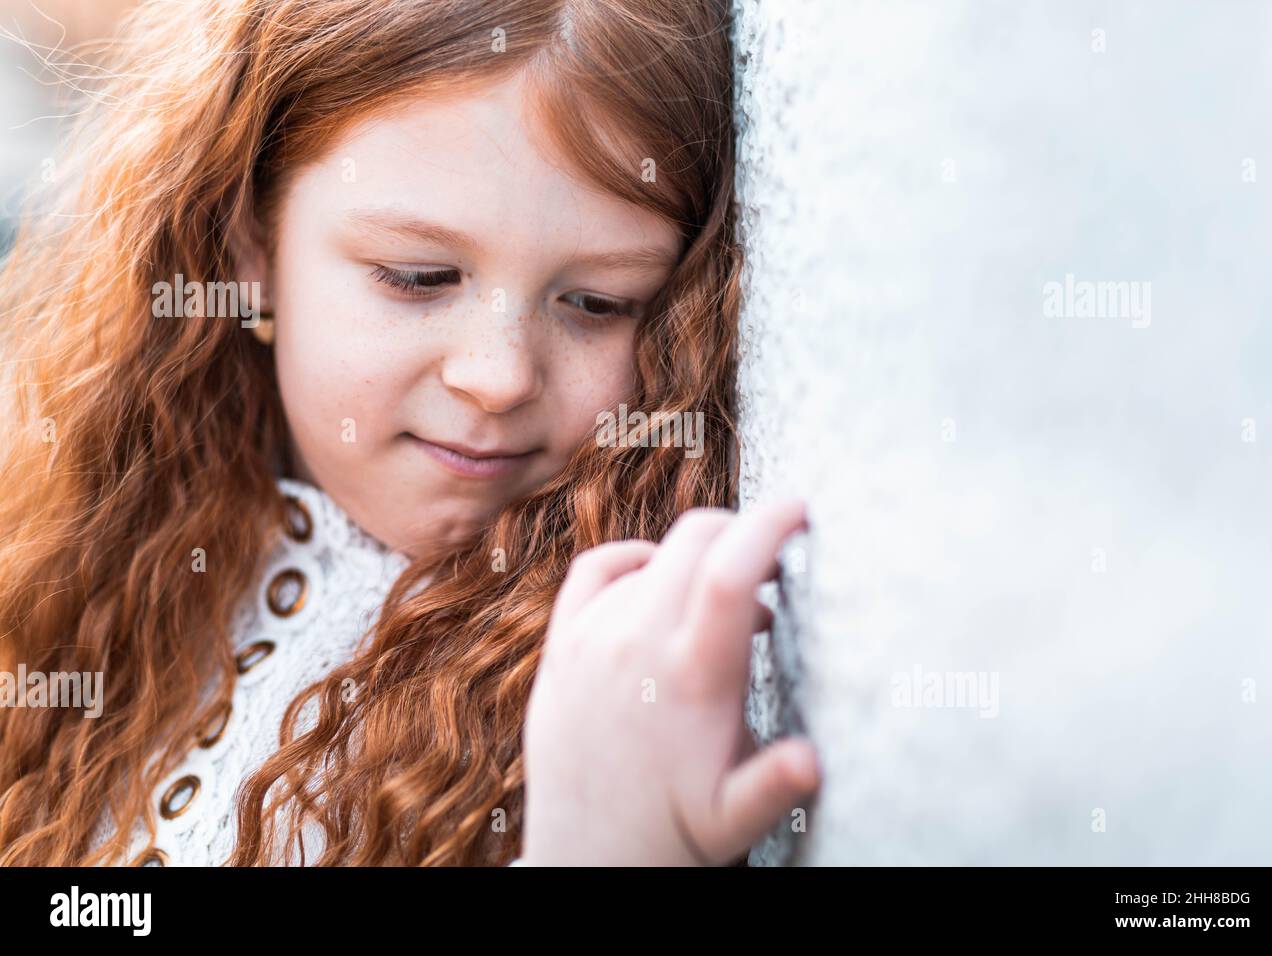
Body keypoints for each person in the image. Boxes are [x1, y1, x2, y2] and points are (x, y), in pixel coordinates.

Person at [0, 0, 820, 866]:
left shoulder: (628, 675)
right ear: (250, 249)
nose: (499, 377)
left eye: (597, 304)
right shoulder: (84, 573)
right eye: (419, 277)